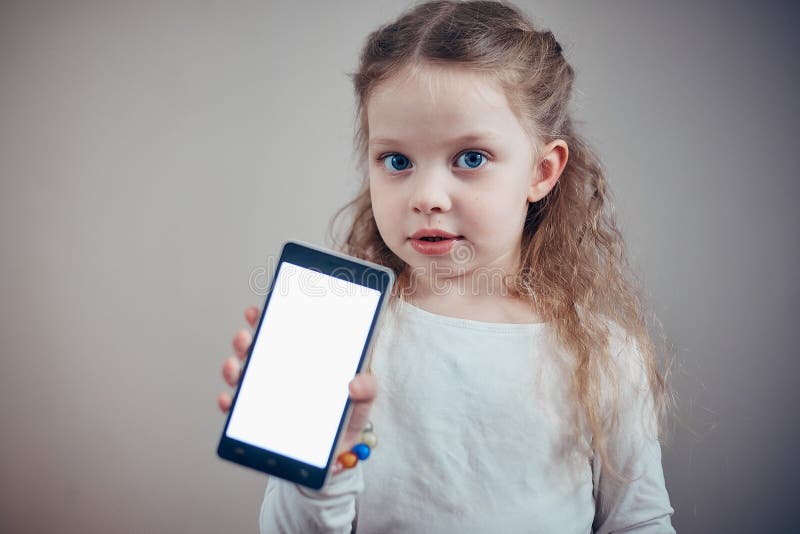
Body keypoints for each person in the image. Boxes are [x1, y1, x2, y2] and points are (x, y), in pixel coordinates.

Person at [218, 1, 675, 532]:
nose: (427, 196)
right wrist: (321, 467)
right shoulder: (351, 343)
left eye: (471, 158)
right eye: (397, 161)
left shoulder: (599, 352)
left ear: (541, 172)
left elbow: (638, 521)